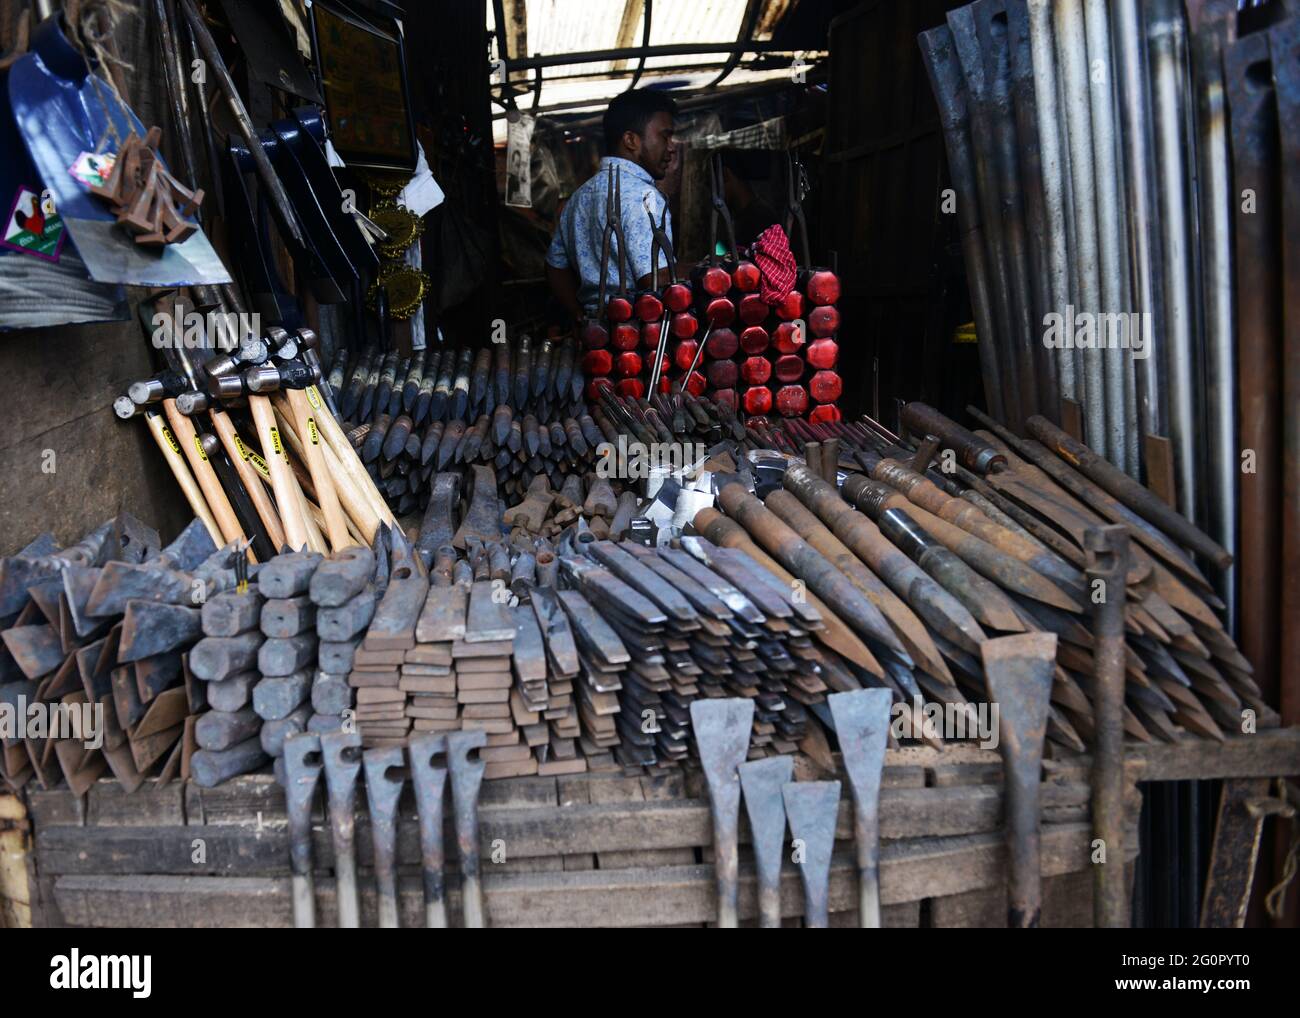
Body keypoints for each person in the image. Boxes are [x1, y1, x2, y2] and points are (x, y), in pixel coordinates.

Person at [546, 89, 677, 322]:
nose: (671, 147)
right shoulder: (645, 197)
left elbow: (555, 267)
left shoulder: (578, 198)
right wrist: (707, 266)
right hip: (639, 337)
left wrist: (578, 315)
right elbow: (655, 280)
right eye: (665, 136)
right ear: (630, 140)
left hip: (596, 333)